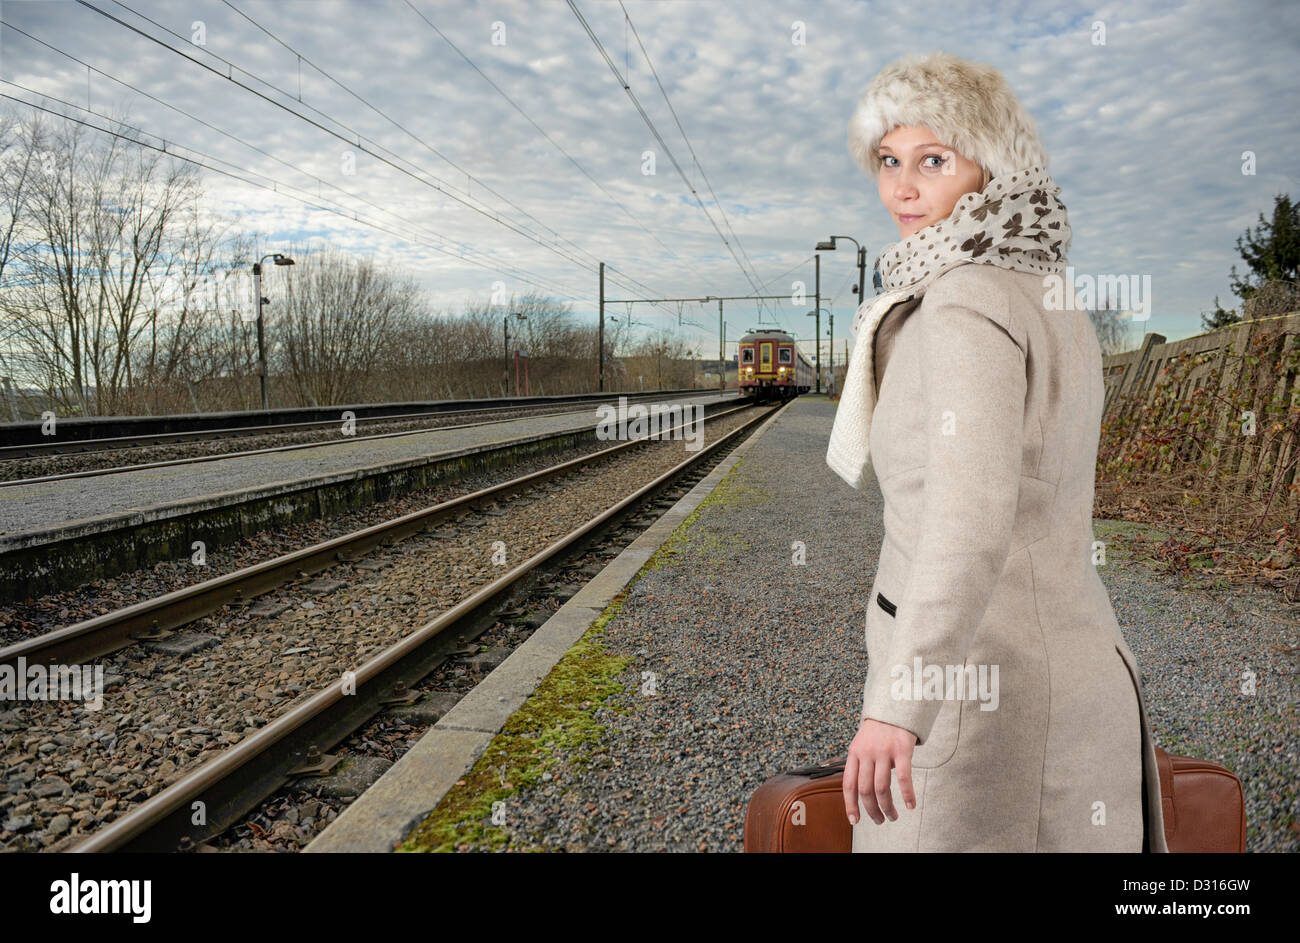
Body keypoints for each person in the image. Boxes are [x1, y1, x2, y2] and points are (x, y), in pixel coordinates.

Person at [825, 51, 1169, 852]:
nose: (902, 188)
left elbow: (969, 520)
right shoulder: (1049, 290)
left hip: (978, 707)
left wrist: (893, 705)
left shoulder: (964, 299)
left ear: (992, 166)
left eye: (933, 161)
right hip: (1075, 671)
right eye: (889, 161)